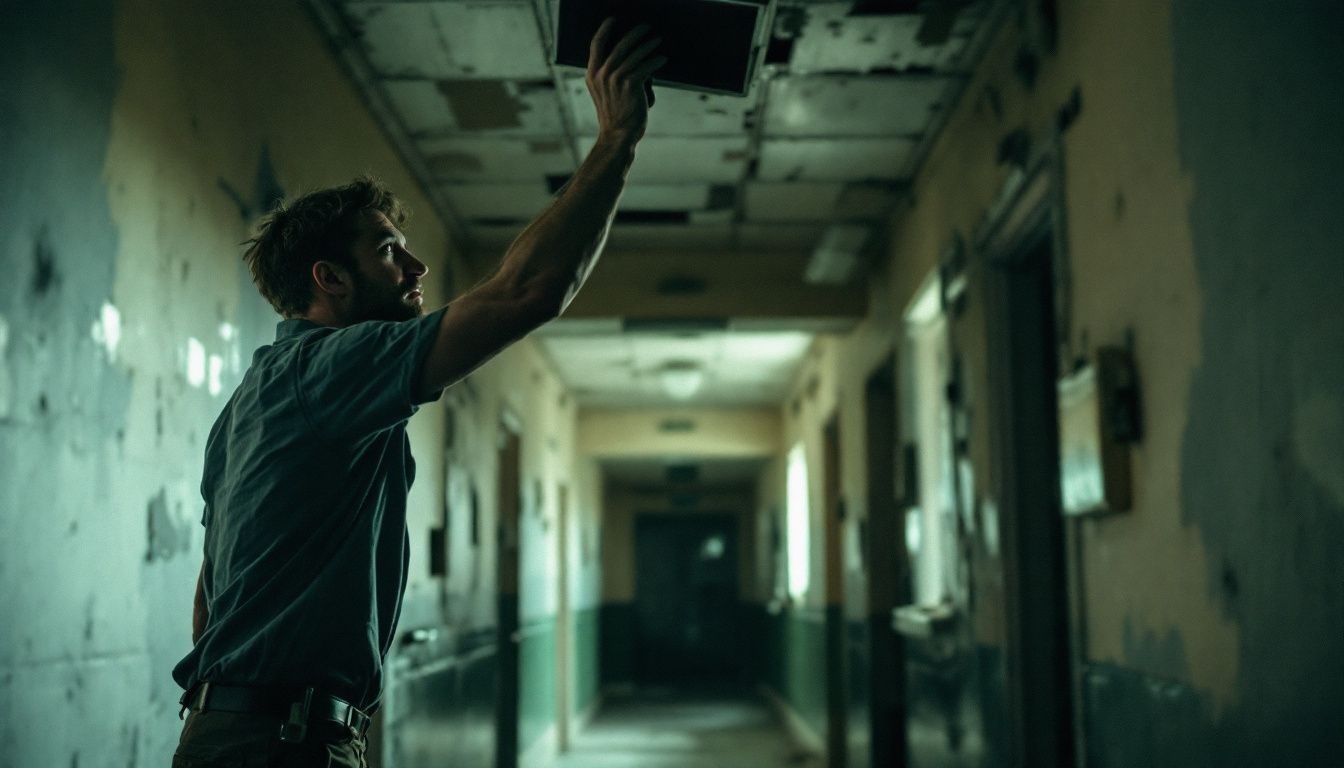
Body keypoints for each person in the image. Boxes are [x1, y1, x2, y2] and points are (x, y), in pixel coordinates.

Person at [170, 19, 665, 767]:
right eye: (388, 251)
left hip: (247, 733)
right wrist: (615, 139)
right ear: (328, 280)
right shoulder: (331, 369)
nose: (415, 267)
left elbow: (212, 585)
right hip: (281, 745)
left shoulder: (246, 403)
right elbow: (524, 292)